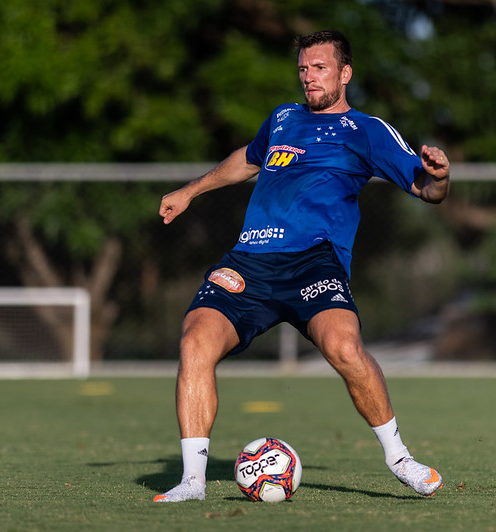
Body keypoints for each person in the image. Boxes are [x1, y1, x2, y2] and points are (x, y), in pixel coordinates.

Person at [154, 30, 450, 503]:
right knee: (194, 342)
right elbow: (247, 161)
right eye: (303, 69)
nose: (309, 78)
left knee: (346, 348)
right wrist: (191, 190)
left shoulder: (366, 131)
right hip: (250, 261)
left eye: (320, 68)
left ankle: (401, 460)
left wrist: (439, 176)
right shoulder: (282, 118)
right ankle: (192, 481)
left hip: (315, 263)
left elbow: (427, 190)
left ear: (345, 73)